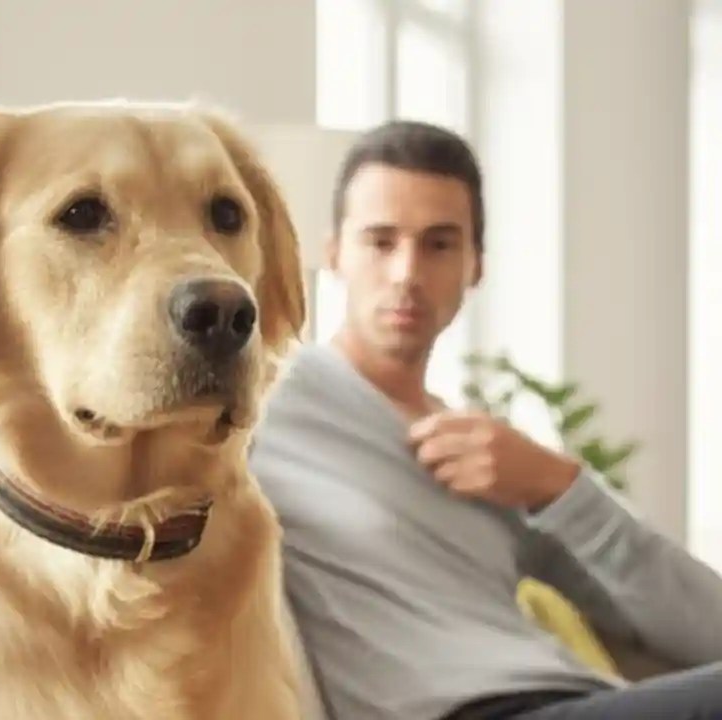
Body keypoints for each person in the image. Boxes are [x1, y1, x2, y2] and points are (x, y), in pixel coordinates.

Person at [248, 119, 722, 720]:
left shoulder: (491, 458)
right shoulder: (267, 398)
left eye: (439, 244)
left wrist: (558, 486)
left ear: (476, 266)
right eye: (381, 241)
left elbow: (707, 629)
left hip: (576, 700)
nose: (407, 274)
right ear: (334, 253)